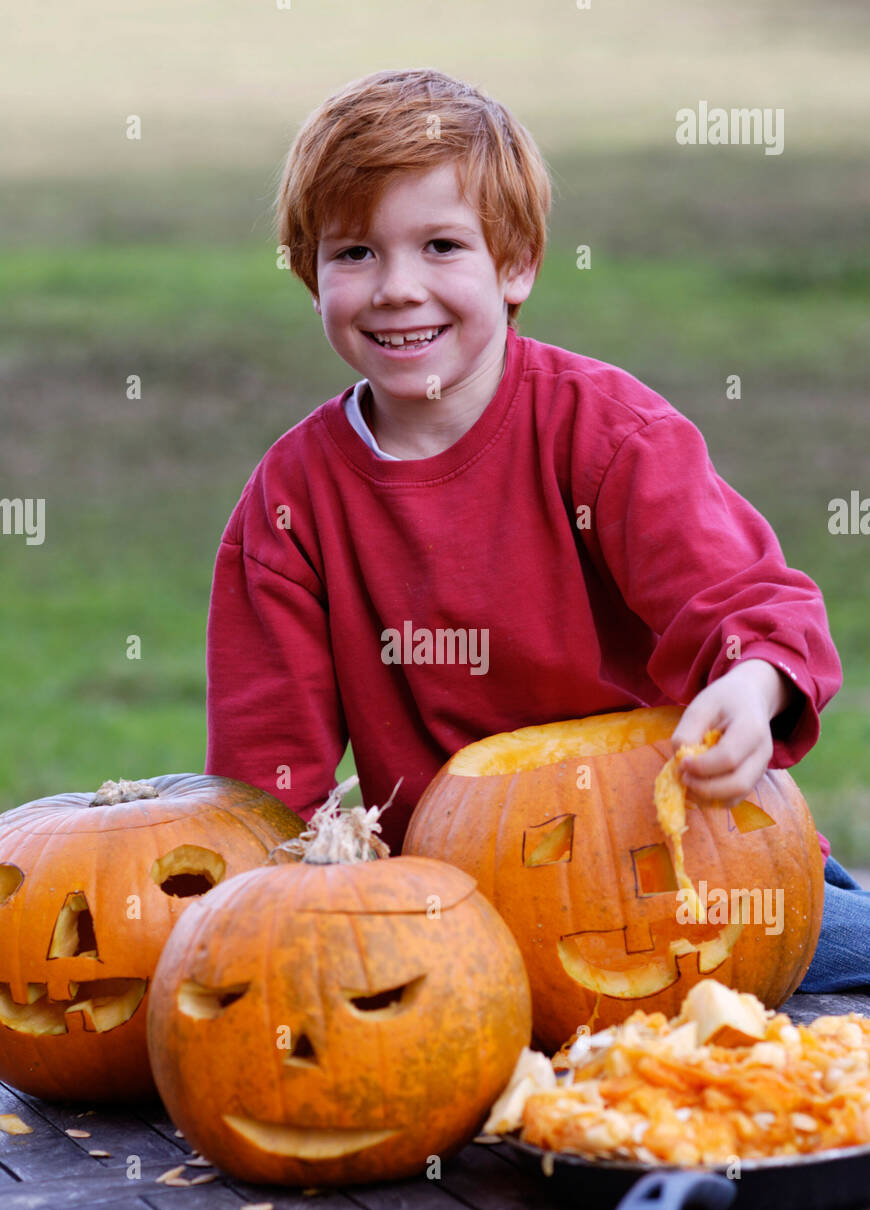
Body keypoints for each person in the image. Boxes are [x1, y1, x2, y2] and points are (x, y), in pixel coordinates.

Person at [204, 68, 868, 993]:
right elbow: (266, 782)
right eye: (354, 253)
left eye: (441, 246)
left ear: (515, 265)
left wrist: (754, 687)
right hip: (454, 913)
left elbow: (747, 601)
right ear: (307, 271)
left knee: (841, 960)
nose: (398, 288)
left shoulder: (605, 436)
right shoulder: (291, 502)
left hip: (684, 869)